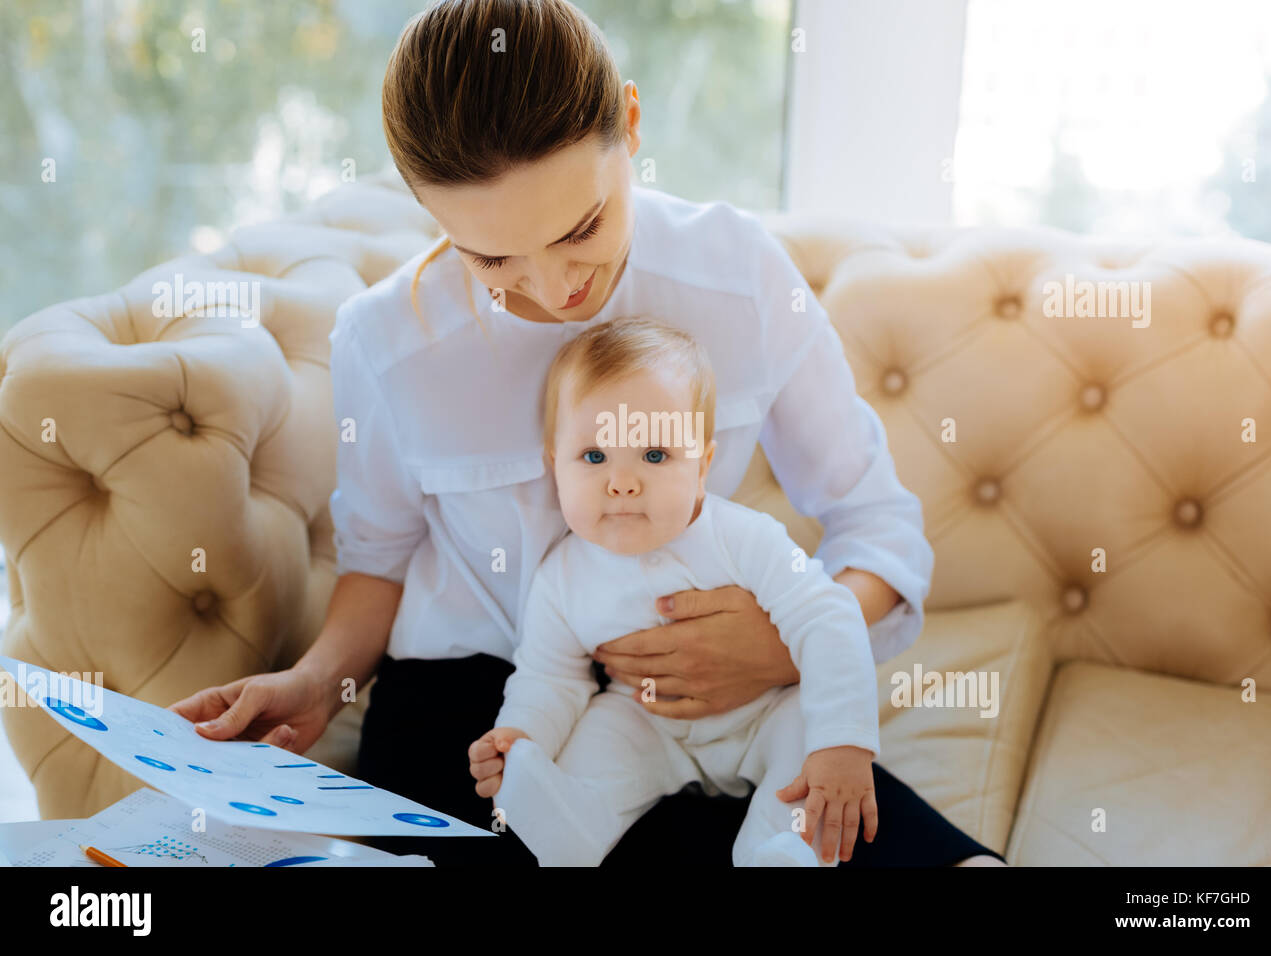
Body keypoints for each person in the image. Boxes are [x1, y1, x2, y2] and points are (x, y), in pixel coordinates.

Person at [169, 0, 1006, 868]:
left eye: (581, 229)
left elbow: (875, 525)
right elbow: (378, 563)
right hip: (478, 709)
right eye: (492, 258)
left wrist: (779, 650)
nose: (553, 287)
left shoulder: (740, 274)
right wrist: (315, 684)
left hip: (722, 687)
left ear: (632, 126)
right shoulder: (385, 343)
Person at [478, 317, 880, 866]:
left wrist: (843, 742)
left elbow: (826, 616)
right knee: (600, 737)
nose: (622, 482)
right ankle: (571, 821)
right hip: (648, 720)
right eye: (594, 457)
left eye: (654, 455)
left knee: (805, 754)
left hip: (767, 713)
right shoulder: (560, 576)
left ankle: (779, 849)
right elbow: (550, 677)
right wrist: (519, 736)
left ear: (702, 466)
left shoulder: (745, 537)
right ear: (555, 466)